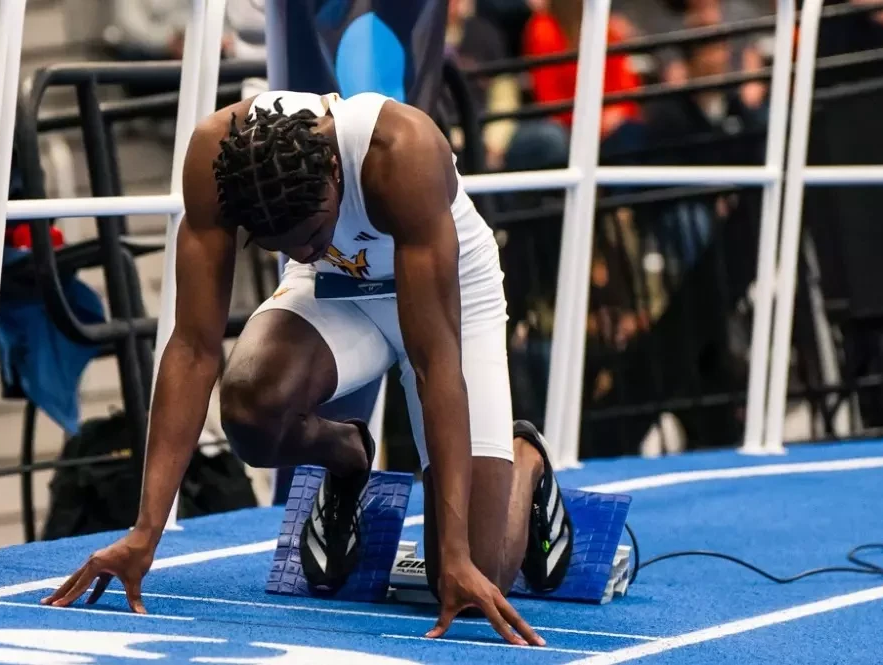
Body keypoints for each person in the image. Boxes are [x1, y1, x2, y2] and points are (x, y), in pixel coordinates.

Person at [43, 90, 575, 646]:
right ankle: (348, 456)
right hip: (338, 289)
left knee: (477, 580)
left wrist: (458, 556)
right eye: (283, 245)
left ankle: (523, 458)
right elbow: (194, 348)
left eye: (314, 232)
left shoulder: (402, 151)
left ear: (333, 170)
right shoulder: (215, 158)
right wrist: (145, 531)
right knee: (249, 408)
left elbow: (436, 363)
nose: (300, 250)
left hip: (451, 300)